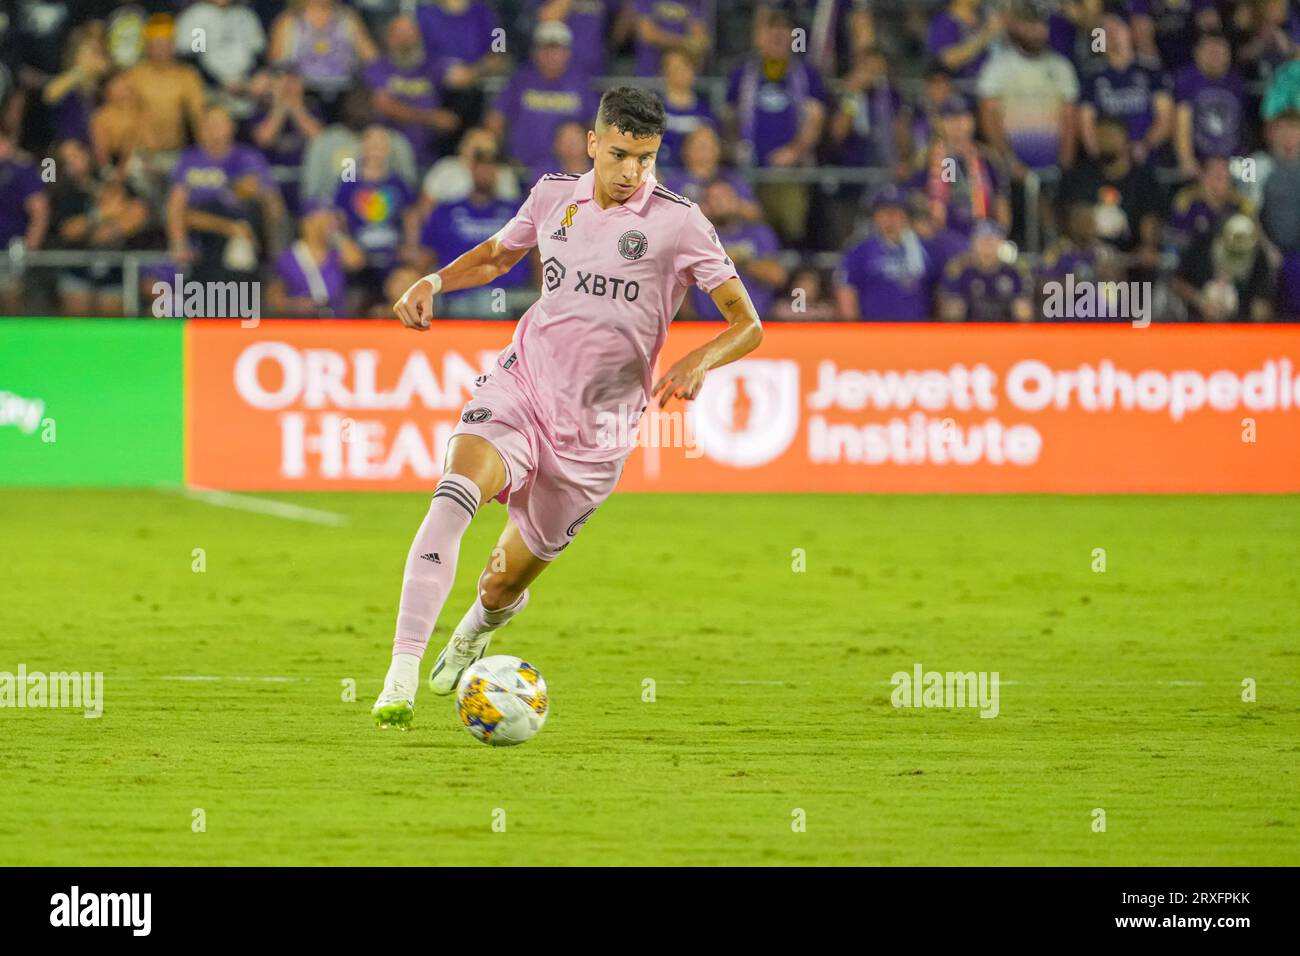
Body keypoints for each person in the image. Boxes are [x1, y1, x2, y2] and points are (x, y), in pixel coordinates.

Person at [372, 87, 762, 728]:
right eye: (619, 154)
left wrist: (700, 360)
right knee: (452, 495)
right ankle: (399, 677)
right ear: (592, 142)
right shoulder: (554, 196)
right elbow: (500, 255)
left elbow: (747, 324)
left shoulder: (680, 222)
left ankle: (476, 627)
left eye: (645, 157)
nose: (632, 171)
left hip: (597, 435)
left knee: (502, 586)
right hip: (522, 387)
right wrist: (433, 280)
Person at [485, 21, 598, 177]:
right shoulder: (521, 79)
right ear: (535, 52)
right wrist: (504, 157)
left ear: (567, 52)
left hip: (568, 170)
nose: (551, 55)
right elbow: (495, 120)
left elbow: (596, 125)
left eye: (556, 48)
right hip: (521, 170)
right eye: (545, 48)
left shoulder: (580, 82)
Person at [836, 185, 939, 322]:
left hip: (917, 333)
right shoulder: (858, 252)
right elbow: (846, 296)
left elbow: (939, 292)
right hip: (874, 333)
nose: (891, 218)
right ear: (875, 217)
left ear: (906, 217)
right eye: (884, 212)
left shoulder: (925, 250)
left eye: (896, 213)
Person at [938, 221, 1034, 322]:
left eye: (992, 241)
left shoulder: (1013, 272)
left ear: (1001, 243)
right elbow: (948, 313)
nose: (987, 246)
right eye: (982, 241)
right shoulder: (960, 271)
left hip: (1005, 332)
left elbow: (1025, 313)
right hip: (969, 332)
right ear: (973, 243)